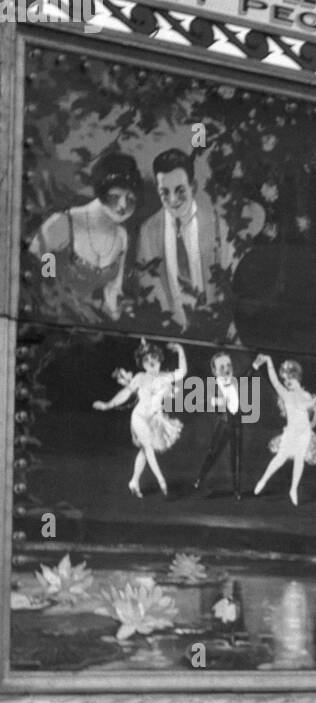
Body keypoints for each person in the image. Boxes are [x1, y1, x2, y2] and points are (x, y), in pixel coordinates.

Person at [28, 152, 141, 321]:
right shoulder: (64, 223)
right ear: (102, 191)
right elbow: (37, 270)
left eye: (130, 198)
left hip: (88, 322)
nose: (123, 205)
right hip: (49, 319)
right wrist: (55, 295)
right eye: (115, 196)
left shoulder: (121, 237)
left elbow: (112, 289)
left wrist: (116, 311)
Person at [136, 149, 229, 330]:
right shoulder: (148, 231)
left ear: (192, 187)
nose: (172, 200)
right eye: (165, 192)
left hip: (215, 329)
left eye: (180, 191)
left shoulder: (218, 226)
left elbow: (230, 285)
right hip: (170, 330)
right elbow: (146, 286)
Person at [92, 339, 186, 498]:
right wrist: (108, 404)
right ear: (142, 364)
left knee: (144, 450)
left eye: (154, 359)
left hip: (154, 419)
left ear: (159, 359)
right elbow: (125, 394)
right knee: (148, 446)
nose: (152, 363)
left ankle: (134, 481)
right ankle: (161, 481)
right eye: (147, 361)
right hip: (139, 417)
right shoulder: (140, 377)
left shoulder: (166, 377)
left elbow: (182, 372)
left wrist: (180, 350)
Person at [252, 355, 316, 507]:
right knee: (280, 458)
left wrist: (312, 424)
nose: (287, 382)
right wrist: (269, 361)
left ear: (297, 378)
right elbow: (274, 381)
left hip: (304, 433)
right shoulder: (286, 394)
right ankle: (263, 480)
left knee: (299, 459)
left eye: (290, 379)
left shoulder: (306, 395)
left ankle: (293, 490)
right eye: (285, 380)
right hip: (291, 432)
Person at [193, 350, 245, 500]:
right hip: (224, 423)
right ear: (214, 371)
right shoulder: (214, 385)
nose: (226, 369)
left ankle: (237, 490)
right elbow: (205, 400)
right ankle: (200, 478)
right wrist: (216, 402)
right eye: (221, 367)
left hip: (238, 424)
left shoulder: (235, 381)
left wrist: (256, 364)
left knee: (236, 456)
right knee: (213, 452)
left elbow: (248, 376)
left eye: (228, 365)